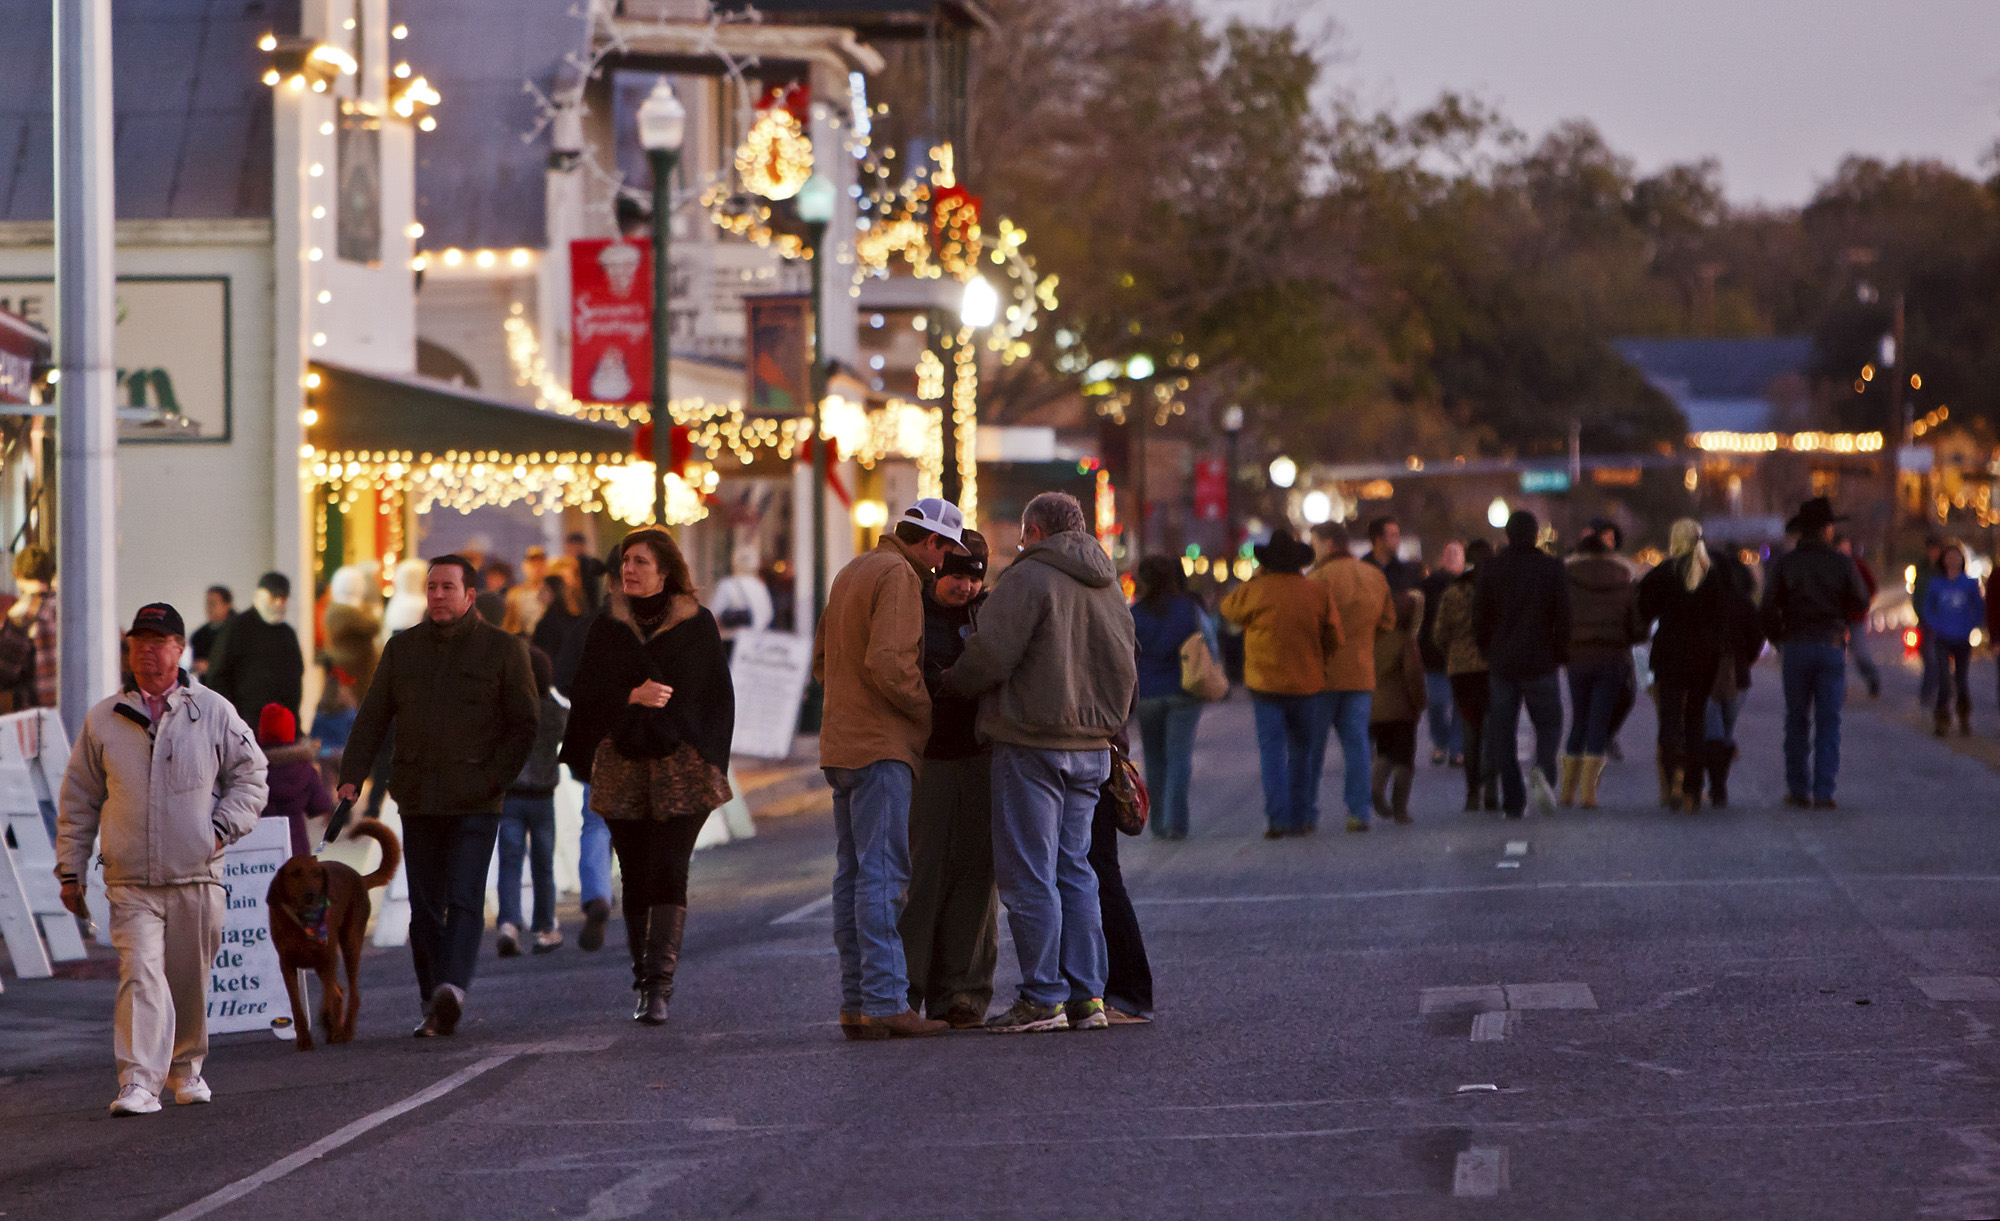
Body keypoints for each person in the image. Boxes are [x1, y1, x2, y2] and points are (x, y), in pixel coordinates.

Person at [55, 603, 268, 1116]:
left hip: (196, 873)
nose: (147, 652)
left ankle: (186, 1066)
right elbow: (79, 799)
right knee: (141, 973)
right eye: (139, 642)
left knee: (188, 979)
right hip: (130, 879)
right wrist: (71, 868)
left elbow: (252, 776)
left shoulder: (212, 710)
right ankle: (138, 1082)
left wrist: (220, 829)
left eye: (159, 642)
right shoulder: (104, 719)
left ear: (179, 649)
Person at [942, 491, 1137, 1033]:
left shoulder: (1030, 578)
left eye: (1024, 534)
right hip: (1092, 748)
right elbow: (1129, 663)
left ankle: (1043, 996)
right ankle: (1088, 997)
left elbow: (990, 656)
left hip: (1032, 741)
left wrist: (954, 683)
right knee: (1075, 871)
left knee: (1029, 875)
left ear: (1033, 530)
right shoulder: (1108, 587)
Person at [337, 556, 539, 1037]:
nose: (437, 596)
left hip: (476, 797)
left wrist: (495, 779)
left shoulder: (504, 650)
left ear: (470, 595)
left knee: (466, 895)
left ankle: (453, 986)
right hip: (420, 795)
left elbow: (525, 723)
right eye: (431, 588)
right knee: (425, 907)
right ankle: (432, 997)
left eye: (448, 587)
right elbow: (373, 716)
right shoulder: (403, 649)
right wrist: (352, 775)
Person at [559, 529, 733, 1024]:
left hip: (683, 767)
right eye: (625, 562)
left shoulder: (697, 624)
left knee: (670, 866)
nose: (629, 570)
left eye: (640, 562)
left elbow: (715, 697)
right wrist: (630, 697)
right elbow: (584, 692)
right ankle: (642, 979)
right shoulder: (606, 627)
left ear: (664, 570)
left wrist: (700, 750)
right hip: (622, 764)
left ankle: (660, 984)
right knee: (634, 870)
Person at [815, 499, 966, 1040]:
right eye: (945, 551)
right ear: (930, 541)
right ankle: (885, 1001)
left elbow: (822, 663)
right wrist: (922, 713)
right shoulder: (900, 577)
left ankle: (857, 1000)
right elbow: (890, 663)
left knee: (852, 875)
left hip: (841, 744)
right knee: (883, 877)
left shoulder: (852, 570)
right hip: (883, 746)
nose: (943, 563)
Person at [900, 530, 999, 1027]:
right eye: (956, 575)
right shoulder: (910, 610)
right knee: (924, 875)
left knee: (978, 877)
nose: (965, 586)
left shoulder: (992, 614)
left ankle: (963, 993)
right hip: (930, 757)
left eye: (974, 577)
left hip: (981, 755)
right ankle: (911, 988)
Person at [1220, 529, 1343, 836]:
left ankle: (1277, 820)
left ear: (1267, 563)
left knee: (1272, 753)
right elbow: (1335, 637)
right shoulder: (1316, 591)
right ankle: (1301, 818)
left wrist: (1257, 577)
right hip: (1307, 683)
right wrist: (1320, 658)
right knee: (1302, 753)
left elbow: (1228, 608)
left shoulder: (1258, 590)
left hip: (1266, 685)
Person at [1759, 497, 1871, 809]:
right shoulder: (1842, 563)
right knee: (1829, 720)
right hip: (1831, 645)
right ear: (1825, 529)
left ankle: (1798, 790)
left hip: (1795, 646)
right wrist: (1842, 620)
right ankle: (1824, 791)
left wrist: (1779, 639)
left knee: (1796, 720)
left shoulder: (1785, 564)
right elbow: (1861, 601)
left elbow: (1766, 608)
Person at [1472, 511, 1571, 818]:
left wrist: (1487, 649)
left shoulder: (1491, 569)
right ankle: (1542, 770)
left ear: (1507, 534)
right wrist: (1559, 653)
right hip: (1541, 660)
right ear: (1536, 534)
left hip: (1502, 662)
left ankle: (1513, 797)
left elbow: (1479, 616)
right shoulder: (1551, 568)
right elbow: (1563, 615)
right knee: (1550, 724)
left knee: (1502, 732)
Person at [1637, 520, 1737, 813]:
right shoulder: (1713, 574)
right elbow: (1724, 616)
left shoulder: (1661, 574)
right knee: (1695, 720)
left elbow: (1644, 611)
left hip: (1669, 654)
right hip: (1704, 657)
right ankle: (1694, 788)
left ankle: (1673, 779)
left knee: (1669, 719)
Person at [1307, 521, 1396, 832]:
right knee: (1357, 745)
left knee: (1312, 748)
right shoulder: (1373, 576)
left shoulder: (1317, 579)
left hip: (1323, 677)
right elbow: (1388, 623)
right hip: (1361, 673)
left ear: (1329, 544)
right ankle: (1359, 811)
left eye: (1314, 543)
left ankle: (1306, 812)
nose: (1312, 549)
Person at [1128, 554, 1215, 841]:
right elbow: (1210, 644)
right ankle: (1176, 823)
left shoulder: (1134, 614)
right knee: (1179, 757)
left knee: (1153, 760)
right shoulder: (1189, 609)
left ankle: (1157, 823)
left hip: (1148, 694)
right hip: (1184, 692)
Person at [1561, 528, 1644, 808]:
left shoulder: (1567, 579)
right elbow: (1637, 626)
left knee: (1579, 719)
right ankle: (1589, 793)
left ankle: (1566, 791)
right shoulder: (1624, 579)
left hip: (1577, 657)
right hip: (1612, 658)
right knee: (1598, 723)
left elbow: (1558, 618)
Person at [497, 647, 568, 958]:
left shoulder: (506, 708)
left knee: (510, 863)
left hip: (510, 796)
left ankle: (509, 924)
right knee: (544, 865)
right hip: (543, 797)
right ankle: (545, 929)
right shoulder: (554, 711)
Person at [1691, 544, 1765, 808]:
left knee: (1711, 729)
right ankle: (1719, 785)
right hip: (1738, 675)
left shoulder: (1697, 602)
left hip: (1704, 674)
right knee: (1725, 729)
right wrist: (1745, 660)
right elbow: (1757, 638)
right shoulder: (1742, 603)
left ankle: (1712, 785)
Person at [1431, 538, 1497, 811]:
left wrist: (1454, 651)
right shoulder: (1497, 591)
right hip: (1493, 668)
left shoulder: (1453, 592)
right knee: (1494, 729)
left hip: (1462, 671)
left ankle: (1472, 793)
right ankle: (1492, 788)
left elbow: (1439, 633)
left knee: (1470, 727)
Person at [209, 572, 305, 728]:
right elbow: (218, 676)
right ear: (260, 596)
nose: (278, 604)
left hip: (281, 725)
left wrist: (294, 724)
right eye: (274, 598)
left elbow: (294, 683)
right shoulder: (236, 629)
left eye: (283, 599)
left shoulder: (287, 634)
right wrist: (232, 719)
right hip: (243, 724)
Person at [1368, 589, 1427, 824]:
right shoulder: (1405, 640)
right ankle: (1400, 808)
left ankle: (1376, 785)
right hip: (1401, 708)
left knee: (1384, 751)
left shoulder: (1375, 638)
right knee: (1404, 758)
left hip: (1375, 707)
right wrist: (1420, 701)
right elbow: (1413, 674)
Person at [1922, 540, 1983, 738]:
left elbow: (1979, 607)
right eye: (1949, 557)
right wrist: (1935, 623)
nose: (1953, 561)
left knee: (1962, 679)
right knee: (1943, 680)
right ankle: (1941, 719)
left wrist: (1971, 625)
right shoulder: (1937, 584)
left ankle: (1964, 717)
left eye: (1956, 557)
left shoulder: (1970, 583)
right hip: (1942, 637)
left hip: (1962, 638)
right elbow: (1928, 608)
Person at [257, 703, 329, 858]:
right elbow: (320, 805)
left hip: (260, 847)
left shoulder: (252, 769)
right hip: (296, 848)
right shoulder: (304, 768)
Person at [1417, 543, 1465, 766]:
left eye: (1458, 553)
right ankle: (1440, 740)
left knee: (1460, 704)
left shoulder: (1470, 583)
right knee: (1436, 703)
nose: (1454, 557)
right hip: (1435, 655)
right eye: (1450, 553)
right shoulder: (1430, 585)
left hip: (1463, 654)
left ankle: (1456, 748)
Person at [10, 545, 59, 709]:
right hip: (71, 706)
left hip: (37, 711)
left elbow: (8, 670)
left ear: (18, 574)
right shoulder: (68, 607)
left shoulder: (21, 614)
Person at [1834, 536, 1881, 699]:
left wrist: (1863, 606)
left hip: (1856, 620)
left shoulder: (1858, 566)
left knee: (1861, 654)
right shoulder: (1831, 567)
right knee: (1836, 658)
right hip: (1836, 620)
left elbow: (1872, 588)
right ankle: (1839, 690)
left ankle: (1872, 679)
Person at [710, 544, 775, 654]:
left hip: (731, 642)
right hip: (755, 644)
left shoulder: (726, 585)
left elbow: (714, 614)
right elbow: (768, 614)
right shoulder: (760, 586)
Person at [1914, 535, 1945, 708]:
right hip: (1925, 620)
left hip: (1940, 621)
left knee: (1934, 655)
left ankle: (1930, 690)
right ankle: (1933, 687)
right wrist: (1919, 613)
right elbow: (1917, 593)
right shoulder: (1922, 568)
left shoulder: (1943, 570)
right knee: (1927, 654)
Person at [1364, 516, 1421, 596]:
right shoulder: (1363, 570)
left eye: (1398, 535)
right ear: (1378, 539)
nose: (1397, 541)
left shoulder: (1404, 572)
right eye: (1393, 535)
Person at [506, 546, 550, 637]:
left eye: (540, 564)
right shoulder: (515, 594)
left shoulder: (553, 594)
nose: (537, 568)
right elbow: (508, 626)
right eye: (533, 564)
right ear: (525, 566)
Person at [190, 586, 232, 678]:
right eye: (207, 603)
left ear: (227, 605)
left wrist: (212, 667)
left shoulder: (238, 632)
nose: (209, 608)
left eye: (213, 603)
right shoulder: (199, 636)